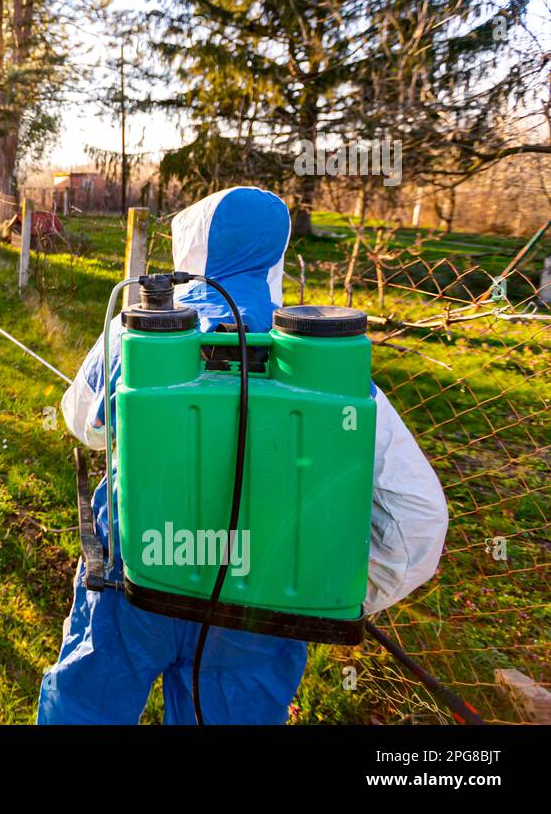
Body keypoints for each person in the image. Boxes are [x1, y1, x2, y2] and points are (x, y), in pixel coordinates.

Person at [38, 186, 449, 725]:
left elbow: (83, 423)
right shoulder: (327, 366)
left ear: (191, 249)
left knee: (88, 707)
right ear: (274, 256)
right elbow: (419, 518)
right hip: (257, 612)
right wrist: (327, 586)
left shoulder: (133, 329)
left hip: (130, 581)